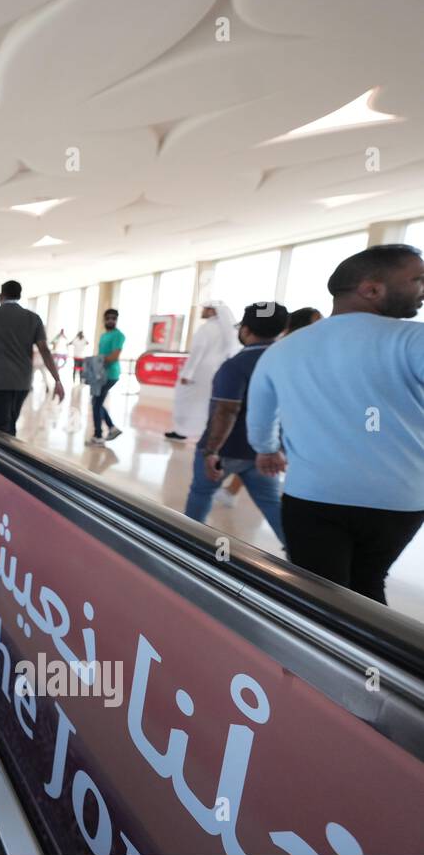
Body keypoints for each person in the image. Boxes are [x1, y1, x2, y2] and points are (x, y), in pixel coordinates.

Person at [248, 244, 424, 605]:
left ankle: (314, 658)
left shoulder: (282, 350)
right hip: (400, 500)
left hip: (314, 496)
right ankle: (369, 658)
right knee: (369, 581)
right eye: (417, 279)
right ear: (372, 288)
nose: (422, 289)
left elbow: (260, 416)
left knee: (316, 593)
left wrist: (266, 449)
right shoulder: (413, 341)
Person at [184, 302, 289, 543]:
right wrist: (278, 448)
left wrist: (212, 450)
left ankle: (187, 542)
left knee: (201, 494)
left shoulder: (235, 366)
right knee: (272, 504)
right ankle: (302, 557)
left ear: (245, 330)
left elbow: (226, 410)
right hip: (266, 451)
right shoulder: (287, 364)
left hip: (227, 450)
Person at [0, 280, 64, 435]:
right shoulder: (33, 318)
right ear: (19, 295)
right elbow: (45, 351)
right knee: (10, 423)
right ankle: (10, 452)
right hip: (22, 382)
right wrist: (57, 380)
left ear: (1, 295)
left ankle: (0, 457)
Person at [165, 301, 237, 441]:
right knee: (205, 403)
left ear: (212, 311)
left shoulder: (206, 329)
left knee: (186, 401)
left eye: (205, 309)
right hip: (215, 370)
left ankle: (182, 431)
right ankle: (203, 430)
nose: (201, 311)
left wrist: (188, 373)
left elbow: (198, 351)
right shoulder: (226, 330)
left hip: (199, 372)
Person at [86, 309, 125, 446]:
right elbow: (101, 355)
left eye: (113, 318)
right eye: (108, 318)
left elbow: (114, 356)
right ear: (104, 319)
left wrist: (97, 362)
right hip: (100, 374)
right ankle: (111, 428)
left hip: (110, 375)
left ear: (116, 320)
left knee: (96, 403)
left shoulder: (118, 335)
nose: (110, 320)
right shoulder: (103, 336)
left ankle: (98, 436)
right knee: (96, 402)